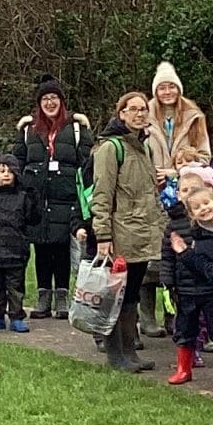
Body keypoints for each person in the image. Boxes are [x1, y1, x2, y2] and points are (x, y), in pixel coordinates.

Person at [89, 91, 164, 373]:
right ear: (121, 114)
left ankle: (130, 352)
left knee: (132, 292)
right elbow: (102, 194)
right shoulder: (111, 148)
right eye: (132, 109)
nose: (139, 114)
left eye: (144, 109)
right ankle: (115, 354)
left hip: (141, 233)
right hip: (120, 233)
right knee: (116, 296)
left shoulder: (145, 147)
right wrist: (103, 236)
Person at [14, 80, 93, 320]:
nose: (50, 103)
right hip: (37, 199)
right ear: (39, 104)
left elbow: (87, 162)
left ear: (61, 102)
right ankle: (42, 296)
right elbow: (18, 161)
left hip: (65, 197)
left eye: (54, 98)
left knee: (61, 248)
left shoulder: (76, 128)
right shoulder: (29, 130)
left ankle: (62, 296)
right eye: (45, 99)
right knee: (41, 249)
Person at [162, 188, 213, 385]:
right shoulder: (175, 228)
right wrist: (167, 286)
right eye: (197, 207)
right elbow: (167, 258)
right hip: (185, 289)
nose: (203, 209)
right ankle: (183, 369)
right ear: (190, 213)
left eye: (206, 203)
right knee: (184, 330)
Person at [0, 153, 38, 332]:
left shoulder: (24, 197)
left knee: (15, 286)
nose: (5, 174)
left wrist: (33, 196)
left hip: (17, 250)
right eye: (2, 171)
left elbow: (33, 220)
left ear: (16, 174)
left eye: (10, 171)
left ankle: (16, 316)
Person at [145, 63, 212, 182]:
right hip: (152, 185)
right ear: (156, 92)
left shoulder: (194, 117)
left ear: (179, 89)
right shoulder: (144, 117)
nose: (167, 92)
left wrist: (178, 172)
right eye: (162, 88)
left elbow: (204, 157)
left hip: (187, 186)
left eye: (172, 87)